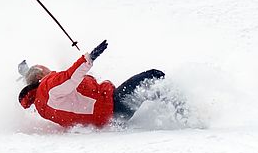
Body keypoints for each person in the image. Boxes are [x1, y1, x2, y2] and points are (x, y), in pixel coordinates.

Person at [17, 40, 165, 128]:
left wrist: (25, 73)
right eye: (47, 70)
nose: (52, 71)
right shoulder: (48, 85)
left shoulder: (40, 104)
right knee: (152, 77)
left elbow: (33, 82)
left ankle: (168, 105)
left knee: (147, 88)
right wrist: (90, 57)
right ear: (41, 76)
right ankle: (184, 112)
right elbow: (69, 77)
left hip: (108, 120)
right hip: (114, 106)